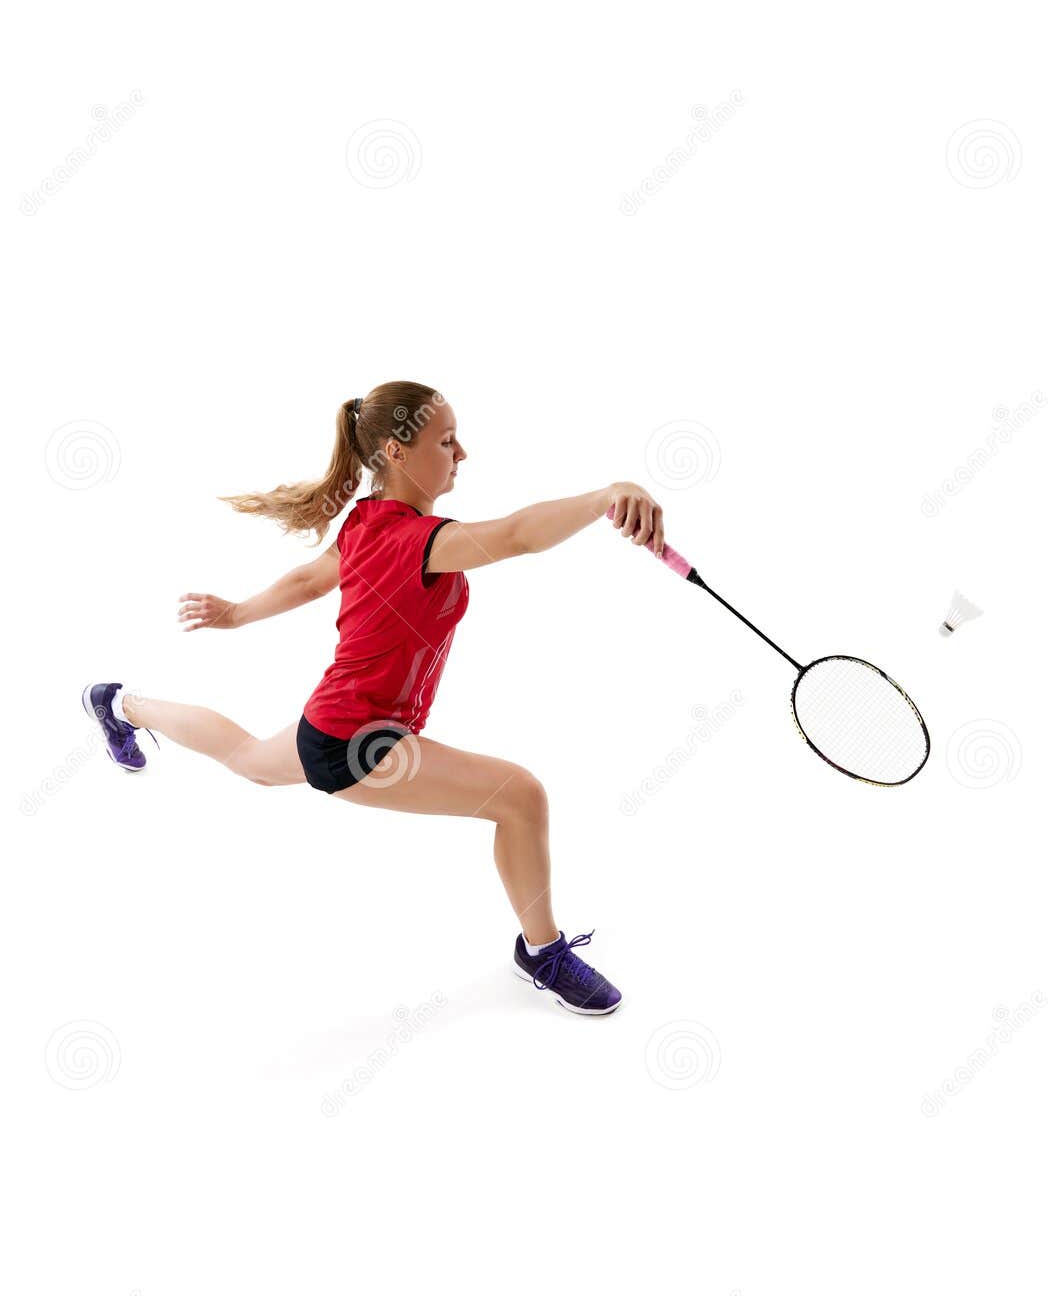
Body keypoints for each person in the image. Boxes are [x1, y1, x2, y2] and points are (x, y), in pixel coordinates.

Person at [83, 381, 665, 1017]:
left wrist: (237, 614)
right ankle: (543, 952)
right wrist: (607, 497)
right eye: (445, 441)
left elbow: (311, 577)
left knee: (249, 758)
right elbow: (519, 535)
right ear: (396, 450)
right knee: (520, 798)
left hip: (328, 723)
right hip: (362, 745)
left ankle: (119, 705)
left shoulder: (368, 522)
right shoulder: (417, 541)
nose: (461, 452)